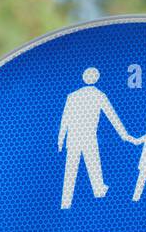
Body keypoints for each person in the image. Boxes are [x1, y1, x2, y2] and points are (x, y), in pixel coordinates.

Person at [57, 67, 134, 209]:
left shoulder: (73, 96)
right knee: (93, 166)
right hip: (87, 137)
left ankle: (66, 201)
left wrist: (60, 140)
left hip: (73, 139)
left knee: (71, 169)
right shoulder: (99, 95)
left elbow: (64, 121)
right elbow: (112, 117)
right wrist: (124, 135)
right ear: (96, 78)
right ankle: (99, 193)